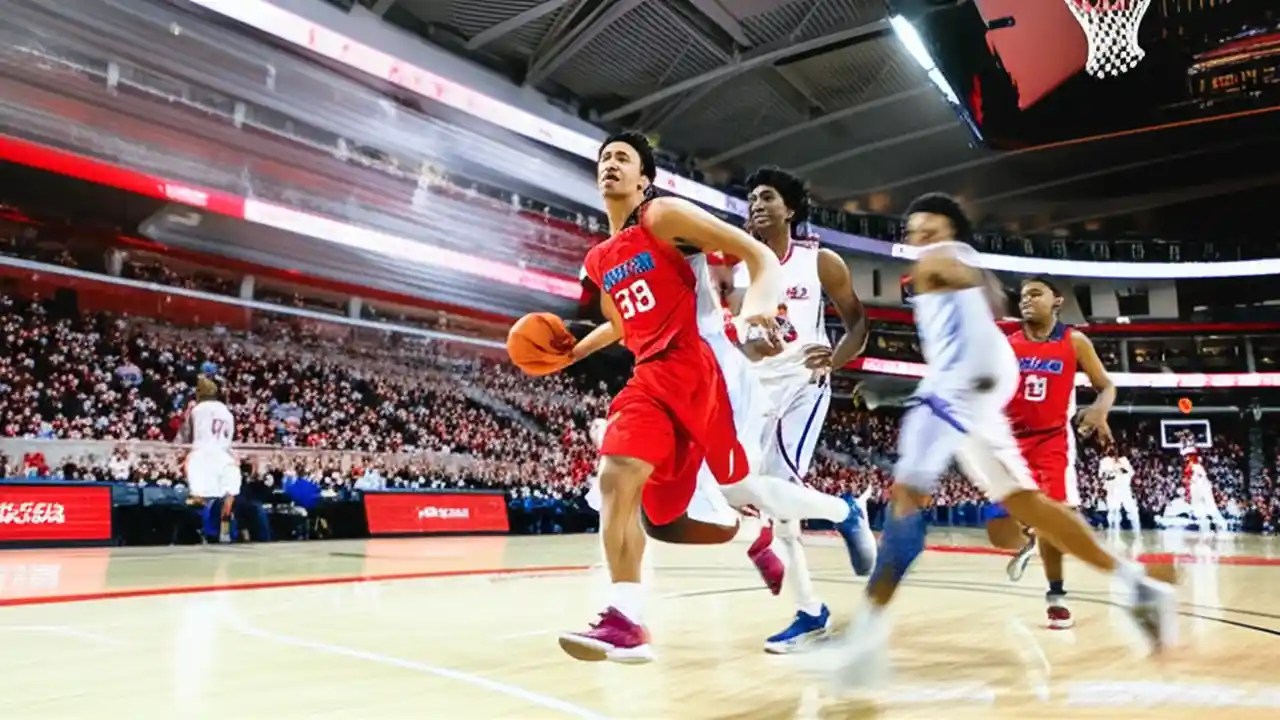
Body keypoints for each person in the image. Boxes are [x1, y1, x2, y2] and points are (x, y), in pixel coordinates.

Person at [806, 193, 1177, 689]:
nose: (921, 239)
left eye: (931, 230)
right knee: (1029, 504)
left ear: (952, 234)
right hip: (980, 388)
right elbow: (975, 295)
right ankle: (1139, 586)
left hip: (959, 387)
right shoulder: (941, 270)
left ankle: (864, 640)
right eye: (913, 231)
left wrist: (976, 285)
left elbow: (963, 273)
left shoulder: (948, 258)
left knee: (906, 502)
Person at [551, 131, 868, 664]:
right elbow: (623, 324)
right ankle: (626, 618)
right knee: (632, 490)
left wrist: (757, 312)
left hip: (709, 369)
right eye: (604, 157)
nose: (610, 163)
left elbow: (758, 258)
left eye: (622, 157)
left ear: (644, 179)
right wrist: (574, 350)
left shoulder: (663, 216)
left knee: (738, 484)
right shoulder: (601, 257)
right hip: (653, 375)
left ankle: (838, 511)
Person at [717, 166, 873, 653]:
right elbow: (737, 340)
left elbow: (858, 323)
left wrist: (837, 358)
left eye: (767, 197)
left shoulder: (819, 260)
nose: (757, 205)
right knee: (730, 486)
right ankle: (842, 512)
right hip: (753, 387)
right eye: (752, 199)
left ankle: (809, 611)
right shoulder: (740, 266)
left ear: (790, 209)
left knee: (781, 496)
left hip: (803, 384)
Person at [984, 276, 1117, 630]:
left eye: (1035, 294)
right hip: (1008, 441)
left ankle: (1056, 595)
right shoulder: (1006, 341)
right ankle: (1027, 535)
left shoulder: (1074, 341)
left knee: (1056, 519)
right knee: (998, 532)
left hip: (1051, 440)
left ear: (1057, 300)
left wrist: (1099, 410)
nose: (1026, 301)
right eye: (1023, 296)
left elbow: (1106, 386)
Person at [178, 377, 240, 543]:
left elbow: (186, 436)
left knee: (198, 497)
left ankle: (198, 531)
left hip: (203, 454)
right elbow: (230, 438)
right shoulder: (228, 412)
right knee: (228, 495)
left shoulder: (197, 409)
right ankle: (224, 530)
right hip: (224, 456)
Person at [1183, 444, 1227, 532]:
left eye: (1188, 456)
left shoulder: (1196, 466)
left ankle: (1222, 525)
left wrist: (1199, 484)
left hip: (1202, 487)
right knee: (1199, 510)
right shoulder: (1190, 466)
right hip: (1195, 488)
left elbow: (1203, 476)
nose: (1186, 457)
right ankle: (1205, 528)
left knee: (1211, 508)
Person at [1101, 449, 1139, 532]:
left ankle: (1137, 532)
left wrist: (1120, 468)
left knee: (1132, 511)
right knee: (1113, 511)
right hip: (1112, 490)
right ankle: (1112, 531)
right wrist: (1112, 472)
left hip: (1124, 489)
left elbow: (1131, 473)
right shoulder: (1105, 462)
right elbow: (1103, 475)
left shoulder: (1124, 460)